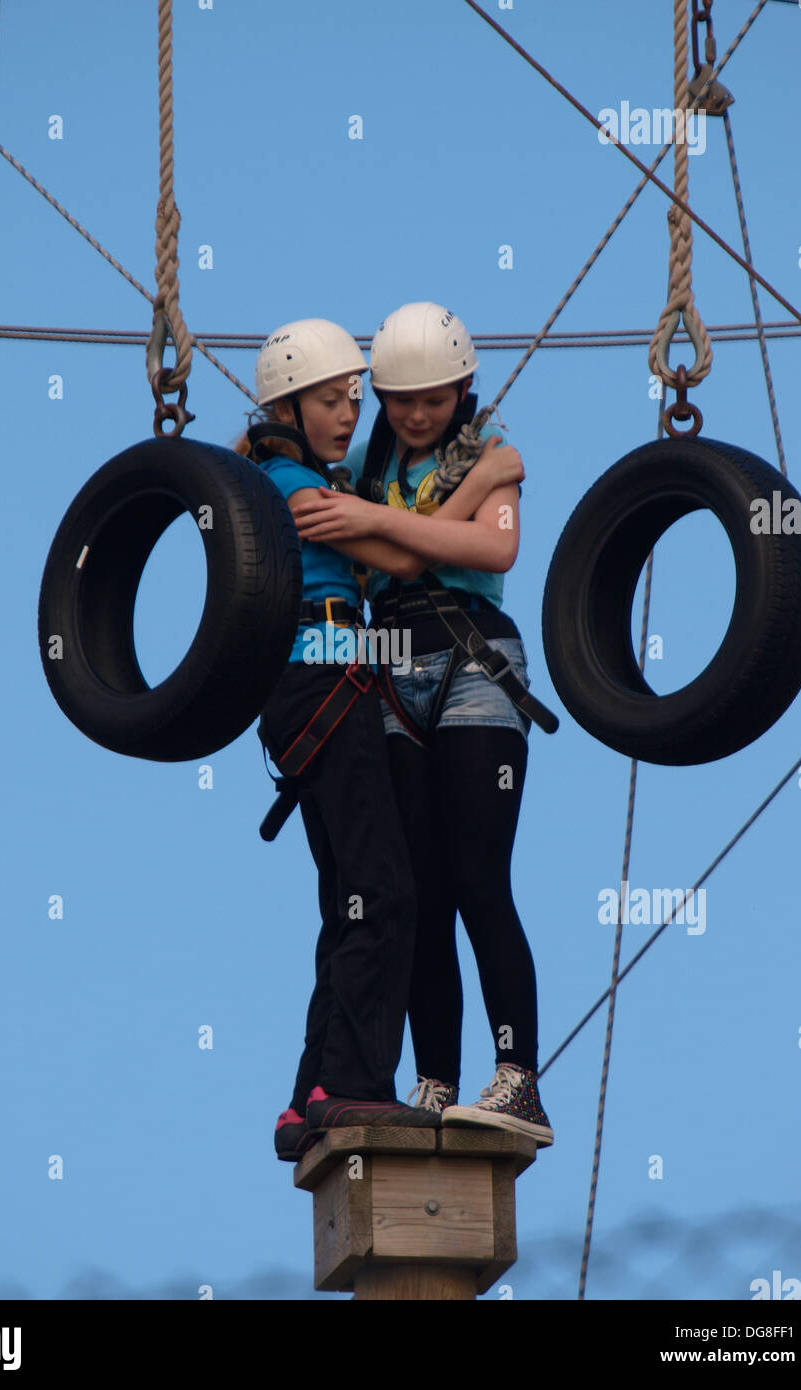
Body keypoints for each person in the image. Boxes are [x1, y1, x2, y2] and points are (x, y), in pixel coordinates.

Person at [238, 317, 524, 1160]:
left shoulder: (296, 479)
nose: (348, 415)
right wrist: (491, 477)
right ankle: (351, 1086)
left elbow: (394, 541)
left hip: (318, 685)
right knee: (384, 890)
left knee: (351, 898)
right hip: (329, 679)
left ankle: (308, 1098)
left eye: (354, 399)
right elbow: (400, 563)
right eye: (330, 399)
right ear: (286, 406)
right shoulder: (295, 486)